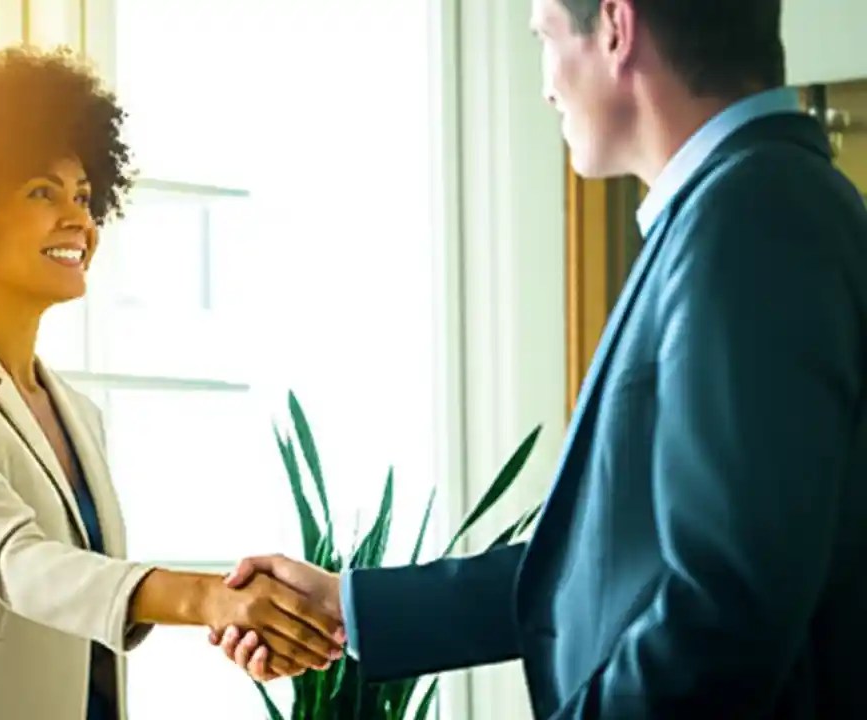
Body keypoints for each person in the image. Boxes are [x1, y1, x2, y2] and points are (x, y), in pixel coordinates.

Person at [212, 0, 867, 716]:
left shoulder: (751, 221)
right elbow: (608, 567)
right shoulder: (744, 206)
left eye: (545, 38)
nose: (546, 85)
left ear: (616, 28)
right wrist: (352, 606)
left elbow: (727, 603)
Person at [0, 47, 344, 720]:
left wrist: (252, 615)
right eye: (43, 192)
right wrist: (209, 598)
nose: (79, 219)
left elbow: (89, 592)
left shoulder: (76, 412)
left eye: (84, 196)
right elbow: (14, 557)